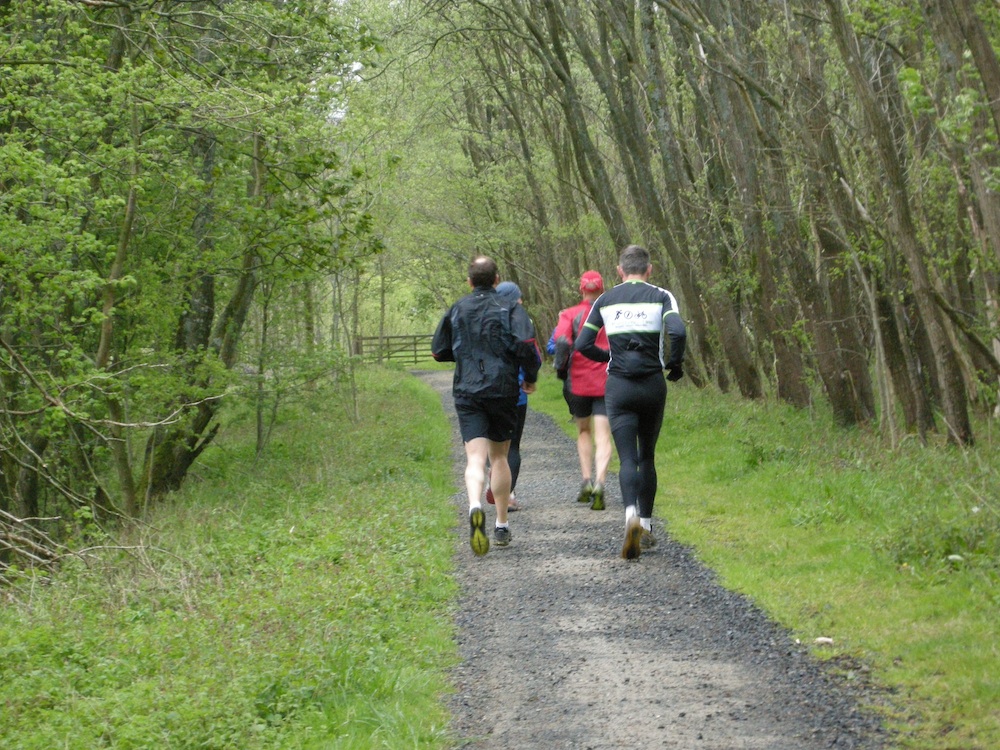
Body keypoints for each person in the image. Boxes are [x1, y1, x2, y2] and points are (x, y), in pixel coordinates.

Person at [574, 245, 686, 560]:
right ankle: (647, 526)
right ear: (649, 270)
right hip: (651, 384)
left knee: (627, 460)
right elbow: (677, 330)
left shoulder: (605, 300)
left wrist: (608, 356)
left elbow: (582, 344)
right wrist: (674, 365)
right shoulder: (662, 295)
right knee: (646, 457)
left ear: (619, 271)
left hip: (619, 385)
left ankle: (630, 518)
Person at [432, 257, 541, 555]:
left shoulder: (457, 309)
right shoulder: (511, 309)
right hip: (502, 389)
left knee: (475, 459)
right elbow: (526, 345)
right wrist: (529, 377)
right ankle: (501, 524)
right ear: (496, 280)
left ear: (469, 281)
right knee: (500, 457)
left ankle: (475, 506)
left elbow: (438, 351)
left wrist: (465, 355)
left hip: (467, 389)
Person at [551, 271, 613, 510]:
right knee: (603, 435)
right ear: (602, 288)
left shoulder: (570, 314)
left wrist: (560, 369)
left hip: (578, 381)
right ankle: (600, 483)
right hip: (607, 379)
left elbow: (562, 342)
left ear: (581, 289)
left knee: (583, 431)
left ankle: (586, 480)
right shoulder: (611, 313)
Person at [484, 281, 538, 512]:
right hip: (515, 393)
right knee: (513, 446)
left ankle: (494, 481)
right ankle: (510, 494)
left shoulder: (485, 319)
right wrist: (529, 378)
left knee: (493, 447)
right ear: (515, 299)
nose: (522, 302)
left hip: (486, 390)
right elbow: (532, 354)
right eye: (520, 297)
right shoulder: (524, 321)